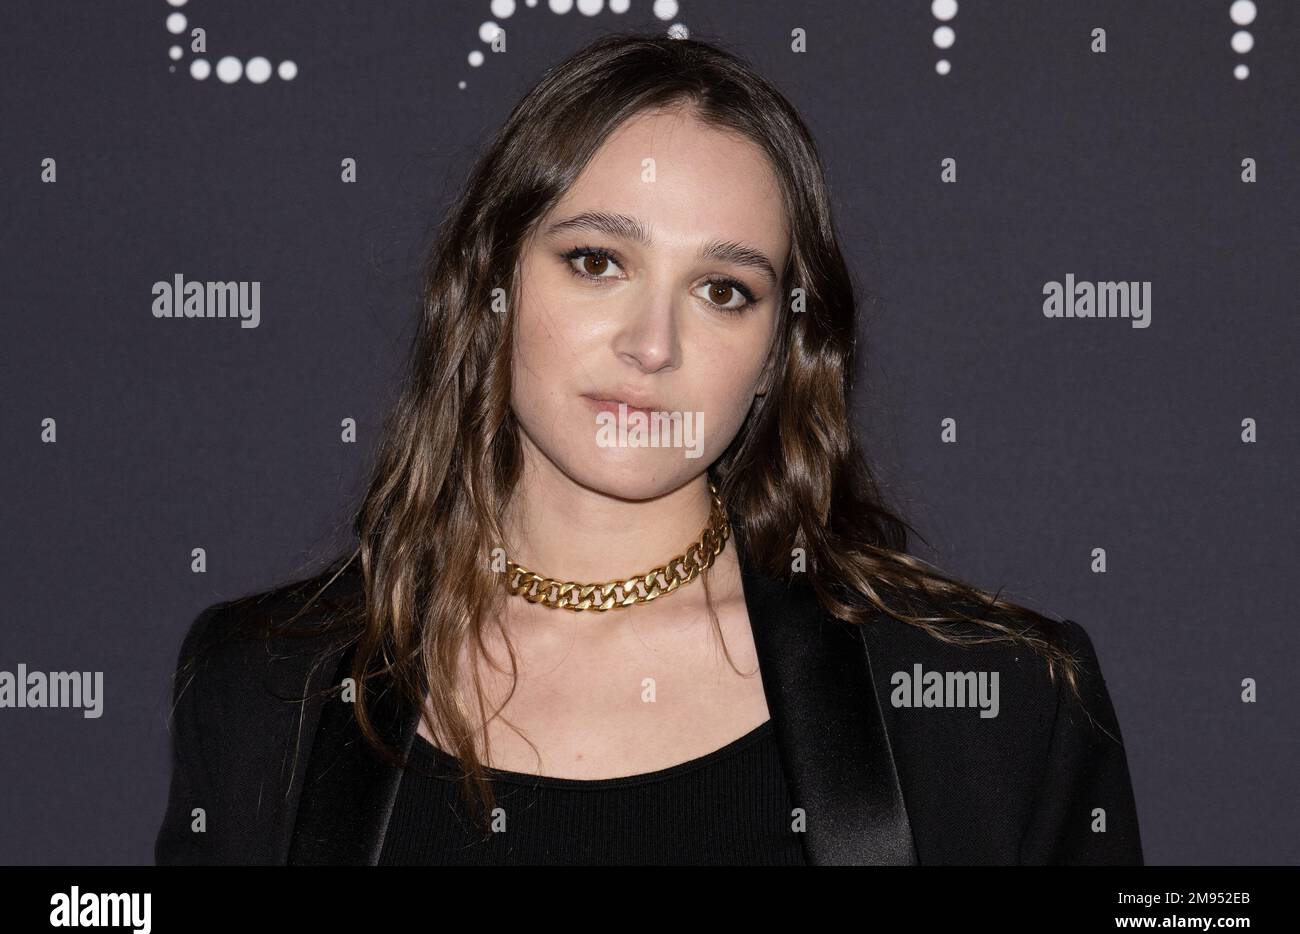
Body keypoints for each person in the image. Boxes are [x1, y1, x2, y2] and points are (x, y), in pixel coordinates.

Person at [156, 32, 1142, 865]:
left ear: (777, 354)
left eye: (724, 289)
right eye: (596, 260)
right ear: (490, 288)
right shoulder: (265, 689)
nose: (652, 343)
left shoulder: (993, 703)